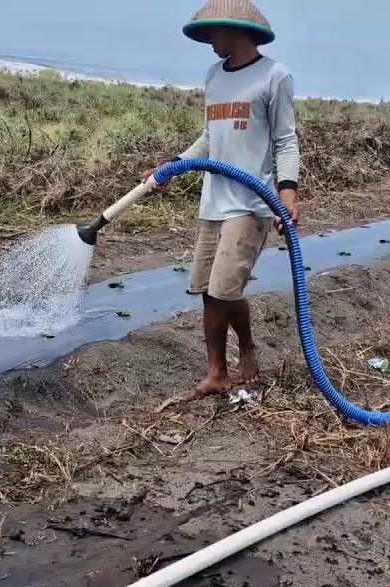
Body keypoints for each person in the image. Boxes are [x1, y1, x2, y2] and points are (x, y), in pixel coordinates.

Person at [148, 0, 300, 399]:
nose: (209, 41)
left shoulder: (275, 76)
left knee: (222, 290)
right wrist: (173, 165)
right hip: (213, 199)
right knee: (208, 289)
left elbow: (285, 140)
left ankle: (239, 356)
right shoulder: (214, 76)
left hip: (252, 202)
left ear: (236, 30)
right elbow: (210, 137)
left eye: (214, 33)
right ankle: (218, 370)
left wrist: (287, 195)